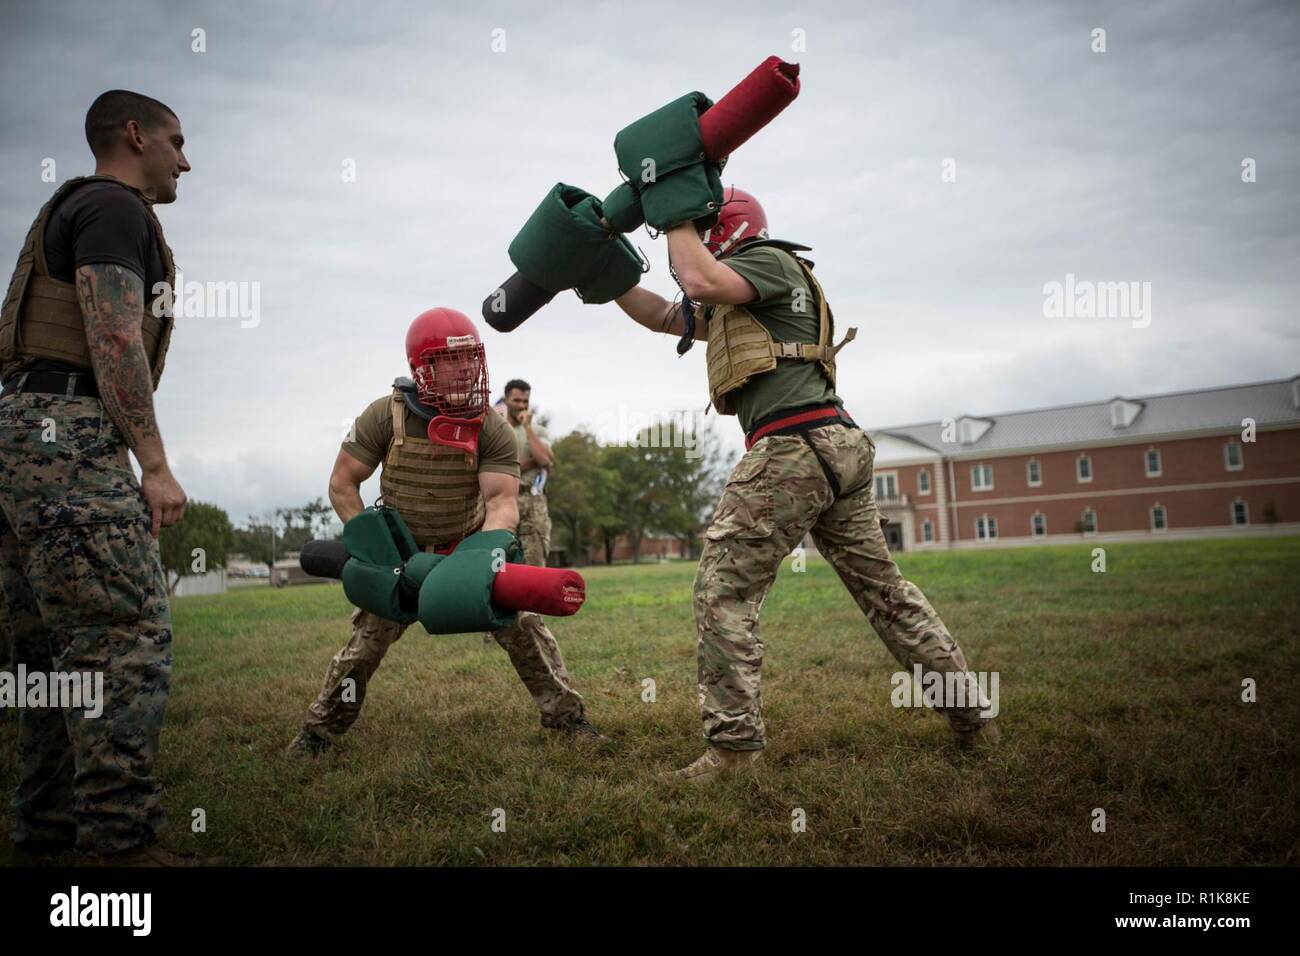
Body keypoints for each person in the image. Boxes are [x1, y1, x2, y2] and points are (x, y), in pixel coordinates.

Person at [610, 187, 998, 783]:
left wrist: (674, 210)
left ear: (725, 229)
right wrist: (602, 277)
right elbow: (666, 314)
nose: (682, 241)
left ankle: (733, 753)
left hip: (794, 449)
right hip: (833, 448)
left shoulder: (768, 260)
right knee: (886, 595)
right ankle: (972, 716)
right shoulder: (735, 289)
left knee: (723, 594)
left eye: (696, 229)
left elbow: (699, 281)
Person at [0, 90, 199, 863]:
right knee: (124, 639)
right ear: (133, 135)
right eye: (176, 142)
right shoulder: (114, 209)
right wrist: (153, 463)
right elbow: (112, 335)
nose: (186, 159)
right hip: (66, 441)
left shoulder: (68, 210)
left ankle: (43, 841)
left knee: (47, 657)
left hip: (20, 437)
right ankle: (120, 854)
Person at [287, 309, 598, 755]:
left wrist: (476, 563)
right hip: (399, 561)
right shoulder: (383, 415)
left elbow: (502, 503)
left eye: (471, 358)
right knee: (362, 651)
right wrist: (376, 553)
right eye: (451, 361)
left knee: (525, 628)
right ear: (421, 368)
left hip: (467, 549)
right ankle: (318, 733)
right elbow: (342, 485)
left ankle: (567, 718)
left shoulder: (491, 426)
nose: (466, 369)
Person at [501, 379, 553, 568]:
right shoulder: (497, 429)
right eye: (516, 400)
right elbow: (494, 467)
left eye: (525, 401)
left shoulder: (538, 430)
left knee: (535, 563)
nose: (522, 406)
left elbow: (545, 461)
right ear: (506, 400)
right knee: (503, 563)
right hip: (503, 500)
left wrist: (528, 428)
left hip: (532, 502)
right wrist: (528, 463)